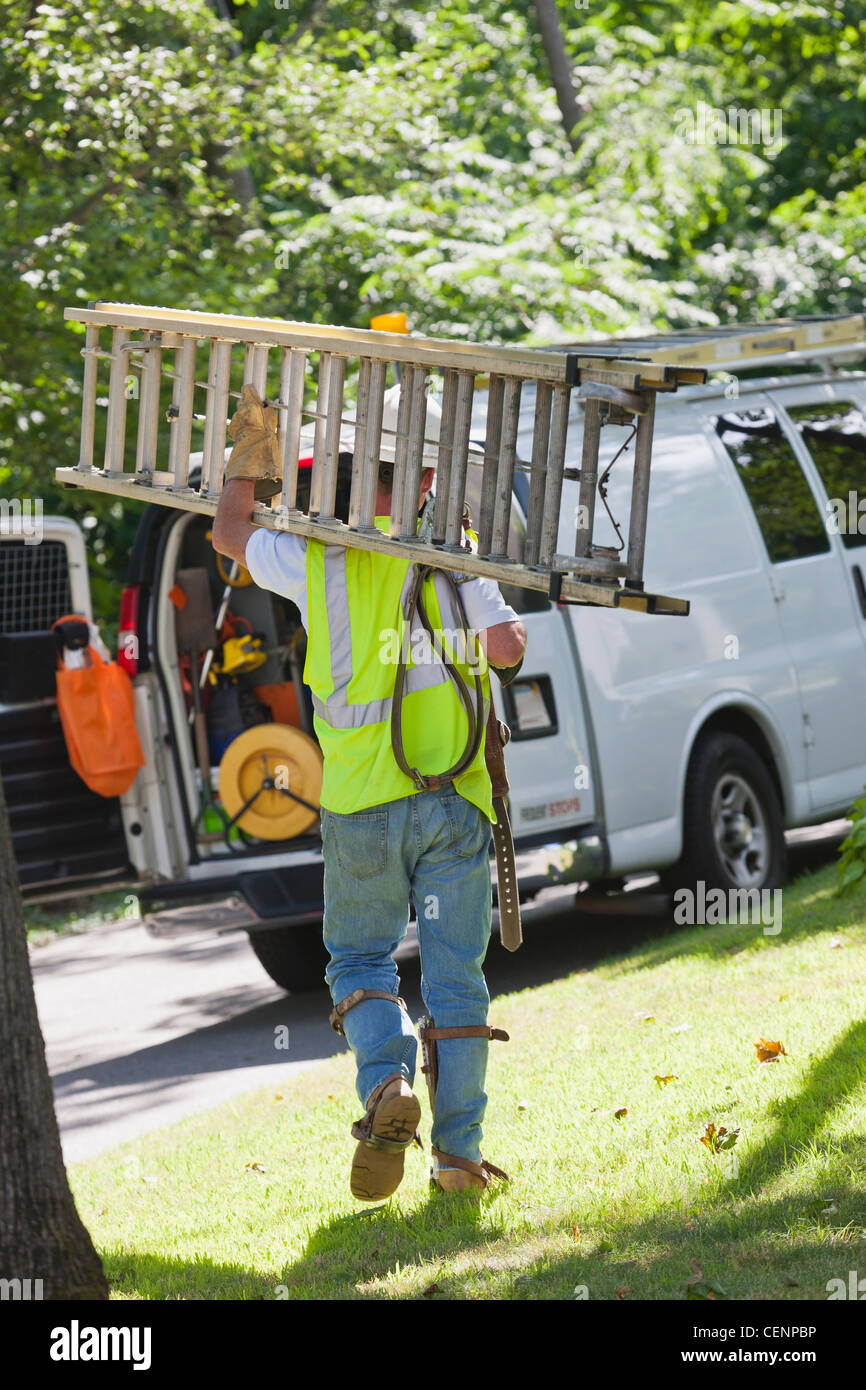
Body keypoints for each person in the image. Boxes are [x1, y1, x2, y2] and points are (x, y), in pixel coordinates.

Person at [212, 383, 526, 1199]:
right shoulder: (452, 550)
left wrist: (253, 451)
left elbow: (231, 533)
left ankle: (387, 1085)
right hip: (456, 798)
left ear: (348, 475)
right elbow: (503, 650)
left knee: (358, 956)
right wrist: (497, 602)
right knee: (458, 975)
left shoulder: (316, 552)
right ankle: (458, 1162)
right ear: (425, 475)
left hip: (359, 800)